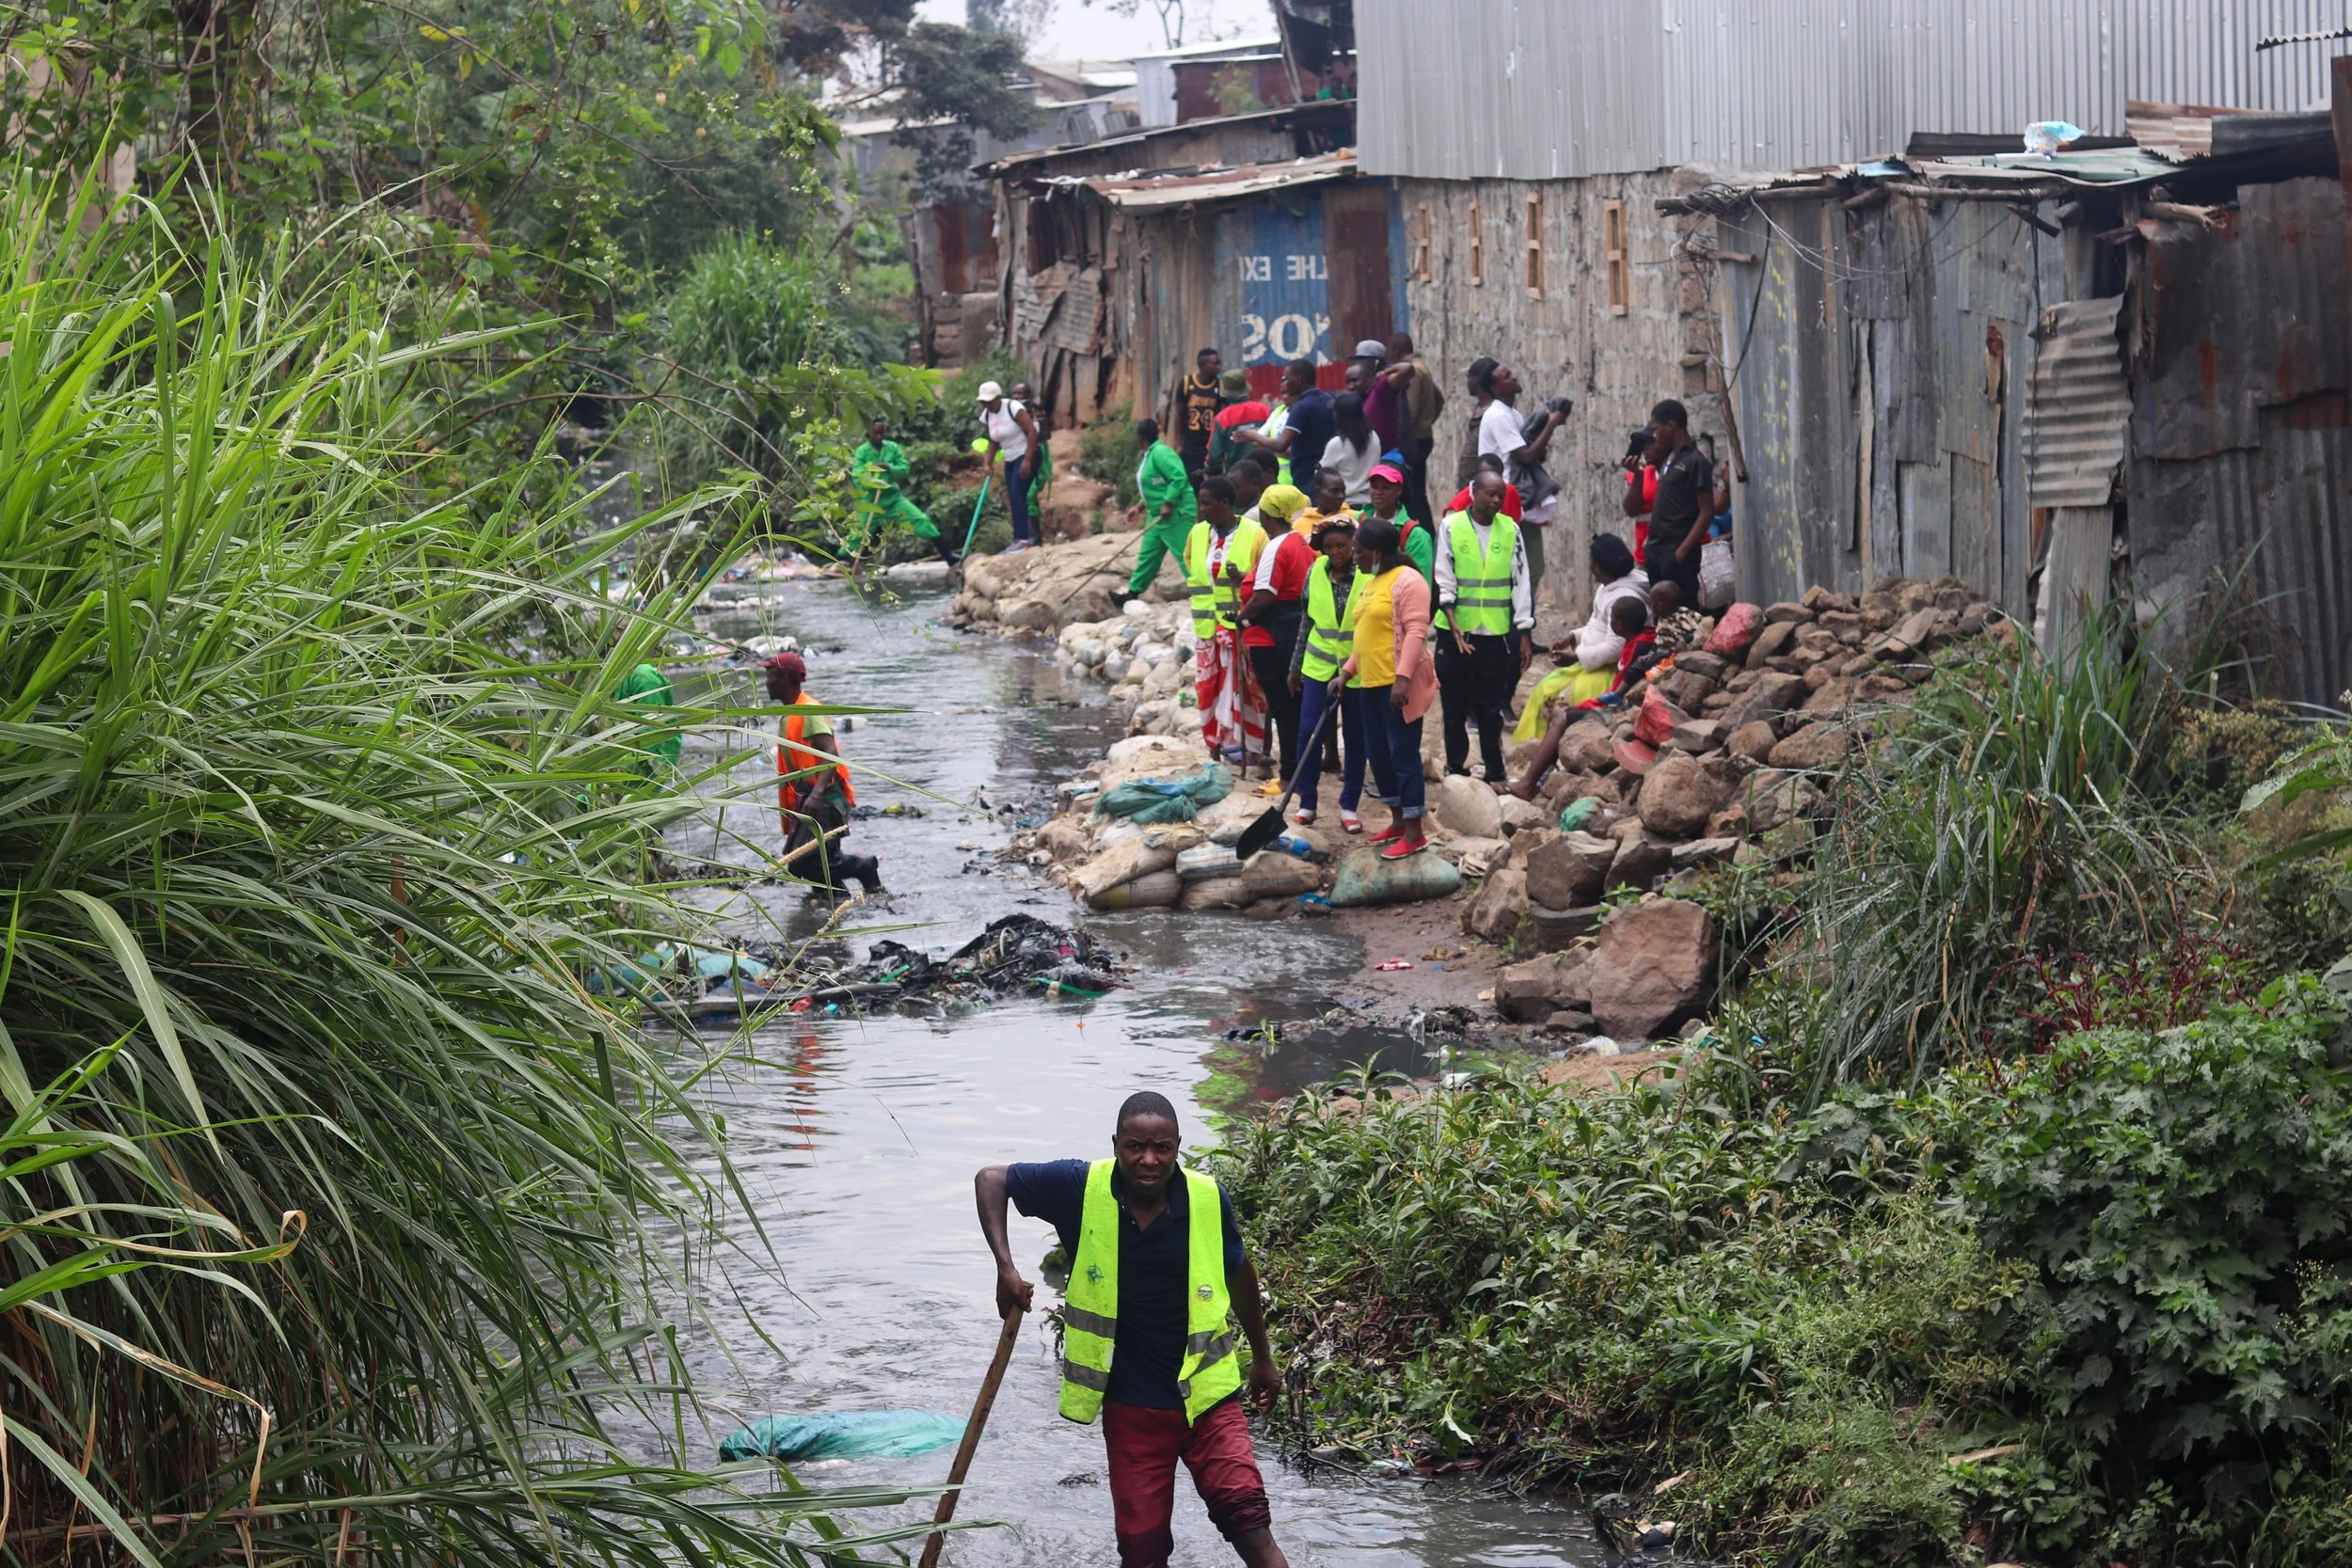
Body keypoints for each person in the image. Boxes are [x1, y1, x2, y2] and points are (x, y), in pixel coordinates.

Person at [973, 1091, 1290, 1568]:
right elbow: (991, 1179)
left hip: (1209, 1399)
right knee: (1142, 1552)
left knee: (1251, 1529)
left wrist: (1263, 1358)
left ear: (1178, 1146)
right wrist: (1005, 1266)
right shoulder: (1079, 1186)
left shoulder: (1205, 1197)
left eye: (1162, 1148)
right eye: (1135, 1146)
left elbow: (1239, 1273)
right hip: (1133, 1407)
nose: (1148, 1160)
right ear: (1116, 1144)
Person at [1433, 471, 1535, 784]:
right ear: (1473, 491)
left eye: (1499, 495)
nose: (1495, 500)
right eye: (1489, 494)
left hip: (1494, 632)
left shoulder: (1510, 529)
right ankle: (1456, 766)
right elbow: (1443, 578)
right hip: (1455, 633)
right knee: (1454, 704)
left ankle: (1495, 768)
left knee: (1491, 706)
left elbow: (1521, 580)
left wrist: (1524, 631)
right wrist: (1453, 625)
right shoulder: (1451, 526)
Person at [1343, 516, 1437, 858]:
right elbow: (1366, 634)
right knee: (1379, 756)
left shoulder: (1408, 581)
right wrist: (1347, 672)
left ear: (1378, 552)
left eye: (1359, 552)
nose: (1355, 557)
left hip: (1396, 685)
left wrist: (1403, 678)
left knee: (1403, 755)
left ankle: (1415, 832)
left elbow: (1415, 631)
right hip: (1369, 683)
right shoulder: (1373, 581)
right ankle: (1397, 821)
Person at [1507, 596, 1651, 802]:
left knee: (1560, 717)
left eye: (1610, 620)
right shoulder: (1640, 642)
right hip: (1622, 707)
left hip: (1621, 712)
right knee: (1560, 712)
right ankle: (1540, 779)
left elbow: (1616, 696)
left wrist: (1582, 706)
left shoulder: (1637, 649)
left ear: (1617, 625)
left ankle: (1528, 785)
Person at [764, 650, 880, 896]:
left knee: (805, 861)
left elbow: (830, 753)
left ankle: (864, 867)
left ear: (784, 680)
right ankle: (835, 898)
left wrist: (816, 795)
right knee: (805, 862)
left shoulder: (809, 711)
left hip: (824, 799)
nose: (766, 682)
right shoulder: (790, 713)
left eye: (771, 676)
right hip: (809, 797)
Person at [1184, 477, 1270, 768]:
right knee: (1208, 688)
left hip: (1239, 626)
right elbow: (1191, 566)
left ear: (1225, 504)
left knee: (1246, 688)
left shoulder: (1255, 534)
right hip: (1207, 627)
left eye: (1207, 503)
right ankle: (1215, 744)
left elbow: (1265, 577)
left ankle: (1252, 748)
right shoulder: (1197, 534)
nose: (1202, 509)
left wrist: (1241, 577)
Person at [1288, 513, 1365, 832]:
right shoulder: (1315, 572)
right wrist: (1295, 666)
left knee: (1356, 738)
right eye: (1330, 546)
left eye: (1343, 546)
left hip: (1357, 669)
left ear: (1354, 546)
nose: (1336, 552)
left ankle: (1349, 806)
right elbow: (1306, 621)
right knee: (1308, 734)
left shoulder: (1366, 575)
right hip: (1318, 666)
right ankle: (1307, 802)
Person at [1239, 489, 1318, 792]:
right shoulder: (1301, 542)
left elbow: (1263, 597)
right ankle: (1298, 771)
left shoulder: (1276, 547)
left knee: (1282, 708)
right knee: (1294, 706)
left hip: (1269, 637)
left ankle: (1287, 777)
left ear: (1267, 514)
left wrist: (1242, 618)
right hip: (1293, 633)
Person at [1474, 363, 1566, 601]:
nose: (1513, 376)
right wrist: (1552, 424)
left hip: (1515, 495)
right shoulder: (1498, 416)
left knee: (1528, 567)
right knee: (1530, 566)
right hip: (1507, 498)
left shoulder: (1511, 414)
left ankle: (1521, 626)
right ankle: (1519, 626)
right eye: (1506, 376)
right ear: (1495, 387)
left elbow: (1530, 451)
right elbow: (1524, 456)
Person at [1629, 399, 1728, 610]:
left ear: (1671, 426)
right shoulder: (1667, 461)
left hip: (1676, 554)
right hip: (1656, 551)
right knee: (1661, 614)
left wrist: (1681, 552)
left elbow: (1707, 511)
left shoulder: (1694, 461)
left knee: (1683, 613)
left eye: (1656, 429)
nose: (1654, 436)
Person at [848, 417, 958, 569]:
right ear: (869, 434)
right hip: (871, 501)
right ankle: (843, 562)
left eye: (881, 433)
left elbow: (904, 469)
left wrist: (889, 467)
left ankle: (949, 556)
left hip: (894, 499)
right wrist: (871, 475)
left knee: (921, 520)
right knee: (858, 534)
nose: (879, 436)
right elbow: (857, 477)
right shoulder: (862, 452)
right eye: (875, 433)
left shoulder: (892, 448)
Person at [1563, 533, 1651, 704]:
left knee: (1554, 699)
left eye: (1591, 561)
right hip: (1591, 661)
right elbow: (1599, 624)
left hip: (1609, 672)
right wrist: (1573, 636)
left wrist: (1576, 657)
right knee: (1544, 689)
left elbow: (1615, 649)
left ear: (1597, 568)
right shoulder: (1609, 586)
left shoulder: (1623, 597)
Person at [1123, 418, 1198, 605]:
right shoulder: (1149, 455)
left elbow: (1178, 477)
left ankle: (1203, 592)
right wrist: (1140, 506)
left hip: (1176, 513)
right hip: (1157, 515)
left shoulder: (1161, 453)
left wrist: (1168, 503)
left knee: (1186, 555)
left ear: (1141, 437)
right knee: (1148, 555)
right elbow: (1156, 485)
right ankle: (1133, 592)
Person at [1236, 359, 1333, 494]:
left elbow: (1281, 445)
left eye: (1285, 379)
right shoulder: (1328, 399)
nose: (1283, 384)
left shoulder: (1301, 408)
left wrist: (1251, 435)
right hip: (1326, 474)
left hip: (1305, 476)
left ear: (1298, 379)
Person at [977, 380, 1042, 552]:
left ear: (998, 398)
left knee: (1017, 493)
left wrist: (1028, 460)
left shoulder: (1012, 408)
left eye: (990, 401)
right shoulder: (988, 415)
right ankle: (1019, 539)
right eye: (984, 402)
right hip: (1010, 457)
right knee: (1013, 497)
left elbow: (1032, 432)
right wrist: (987, 463)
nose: (988, 405)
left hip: (1028, 453)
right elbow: (992, 441)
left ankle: (1023, 540)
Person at [1390, 333, 1443, 526]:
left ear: (1396, 351)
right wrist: (1427, 421)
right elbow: (1439, 399)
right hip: (1423, 437)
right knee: (1418, 491)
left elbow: (1408, 411)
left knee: (1413, 493)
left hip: (1413, 441)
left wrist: (1407, 432)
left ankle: (1422, 534)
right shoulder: (1423, 368)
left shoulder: (1412, 372)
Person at [1361, 460, 1435, 589]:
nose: (1378, 492)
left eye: (1385, 487)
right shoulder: (1358, 520)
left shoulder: (1415, 535)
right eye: (1374, 486)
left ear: (1399, 490)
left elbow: (1421, 586)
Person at [614, 658, 683, 781]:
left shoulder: (644, 679)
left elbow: (651, 733)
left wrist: (621, 768)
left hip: (653, 754)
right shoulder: (611, 680)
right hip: (627, 751)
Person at [1170, 347, 1228, 483]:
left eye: (1219, 363)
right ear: (1203, 365)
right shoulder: (1185, 383)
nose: (1219, 367)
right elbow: (1179, 415)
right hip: (1191, 446)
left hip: (1211, 446)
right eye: (1215, 364)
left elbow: (1223, 417)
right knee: (1191, 482)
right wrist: (1178, 442)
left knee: (1211, 484)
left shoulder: (1220, 386)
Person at [1315, 390, 1378, 507]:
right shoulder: (1374, 437)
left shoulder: (1337, 444)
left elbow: (1322, 475)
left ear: (1337, 416)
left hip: (1345, 504)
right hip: (1369, 503)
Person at [1208, 372, 1271, 476]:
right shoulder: (1265, 411)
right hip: (1265, 474)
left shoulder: (1222, 418)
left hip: (1237, 478)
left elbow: (1215, 455)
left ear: (1226, 393)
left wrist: (1210, 473)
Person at [1445, 452, 1523, 522]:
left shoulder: (1510, 493)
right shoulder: (1458, 506)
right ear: (1474, 475)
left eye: (1497, 477)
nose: (1492, 481)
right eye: (1486, 478)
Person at [1295, 469, 1357, 537]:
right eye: (1334, 491)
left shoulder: (1355, 517)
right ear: (1317, 491)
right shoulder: (1299, 526)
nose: (1341, 496)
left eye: (1343, 491)